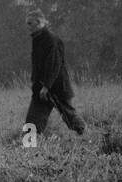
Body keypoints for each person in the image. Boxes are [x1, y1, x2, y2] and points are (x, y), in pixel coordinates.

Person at [23, 9, 86, 137]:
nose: (27, 27)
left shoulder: (52, 40)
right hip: (41, 88)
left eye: (30, 23)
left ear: (39, 22)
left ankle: (86, 137)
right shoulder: (37, 39)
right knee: (32, 120)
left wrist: (46, 86)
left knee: (70, 117)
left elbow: (54, 65)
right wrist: (38, 85)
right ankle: (28, 148)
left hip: (57, 87)